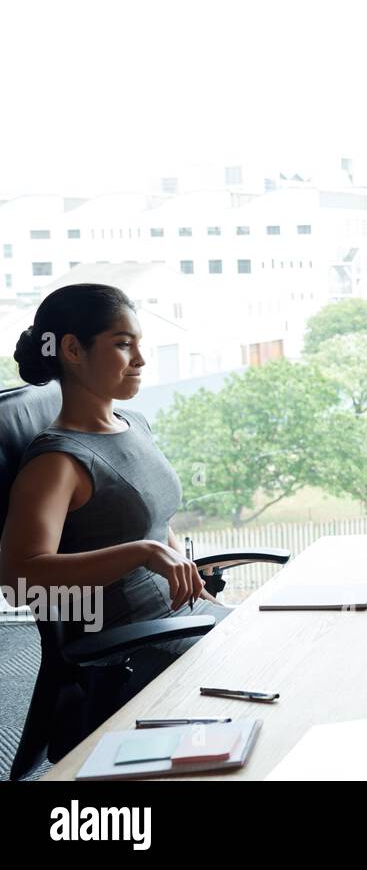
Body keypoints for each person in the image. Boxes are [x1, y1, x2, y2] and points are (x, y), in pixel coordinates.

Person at [1, 284, 227, 694]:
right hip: (136, 646)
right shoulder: (58, 461)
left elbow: (154, 523)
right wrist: (142, 553)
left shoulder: (133, 422)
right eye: (123, 344)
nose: (140, 359)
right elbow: (17, 580)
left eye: (139, 343)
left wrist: (212, 603)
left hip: (188, 620)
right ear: (72, 350)